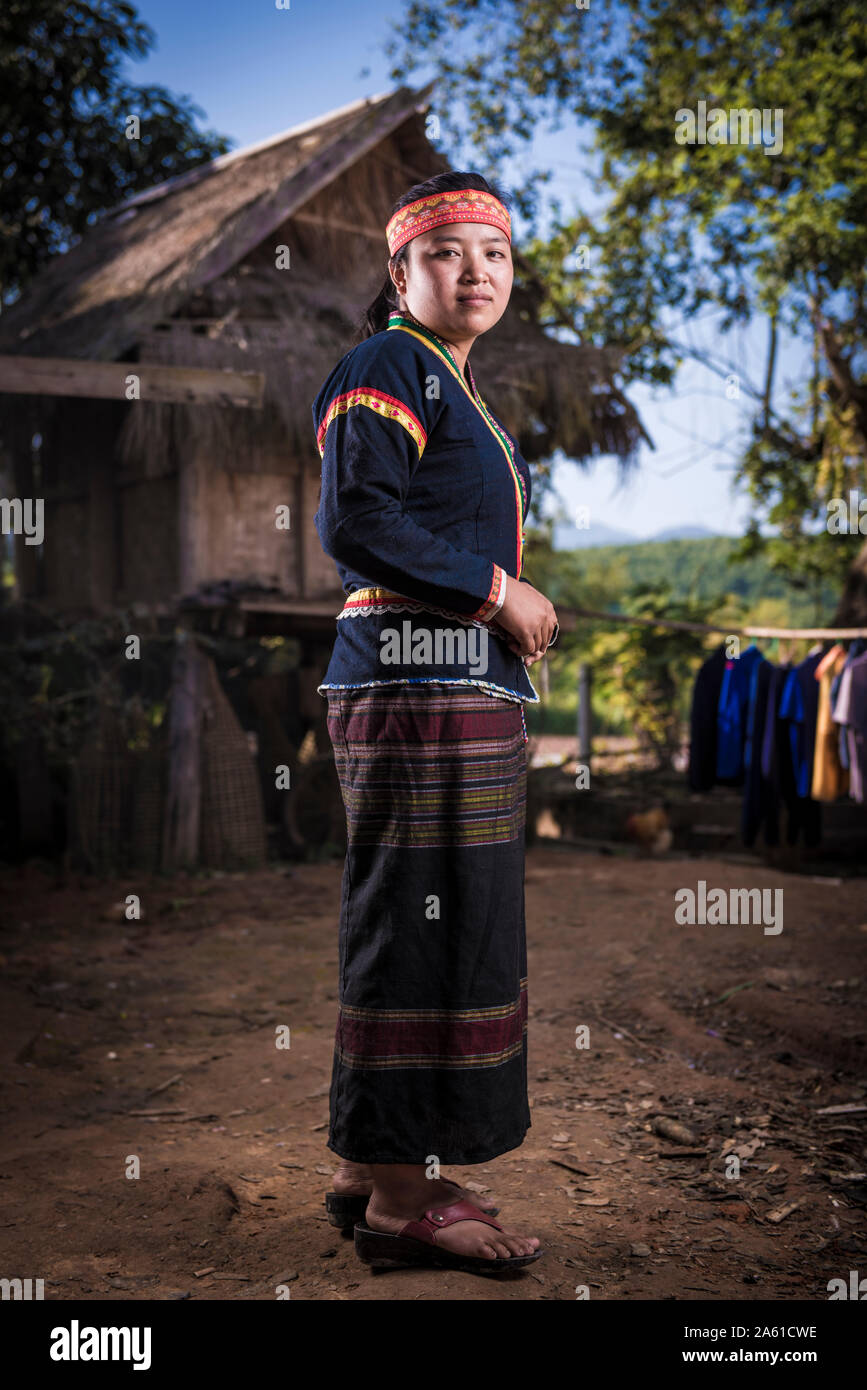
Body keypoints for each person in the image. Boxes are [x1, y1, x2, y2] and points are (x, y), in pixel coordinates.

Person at [310, 171, 558, 1274]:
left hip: (451, 689)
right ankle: (402, 1198)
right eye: (447, 252)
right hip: (413, 690)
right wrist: (498, 592)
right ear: (400, 270)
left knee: (444, 919)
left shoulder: (451, 381)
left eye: (494, 253)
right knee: (419, 921)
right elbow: (357, 521)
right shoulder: (388, 364)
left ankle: (374, 1163)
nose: (476, 272)